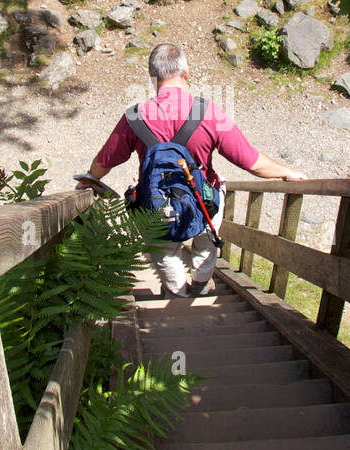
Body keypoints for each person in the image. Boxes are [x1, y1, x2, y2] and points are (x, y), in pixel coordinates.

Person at [85, 43, 306, 297]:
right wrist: (287, 171)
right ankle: (200, 285)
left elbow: (103, 163)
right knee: (206, 240)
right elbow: (252, 162)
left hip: (157, 205)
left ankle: (177, 294)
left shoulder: (134, 117)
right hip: (203, 202)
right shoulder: (209, 113)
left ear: (152, 76)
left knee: (166, 252)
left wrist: (90, 179)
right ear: (186, 74)